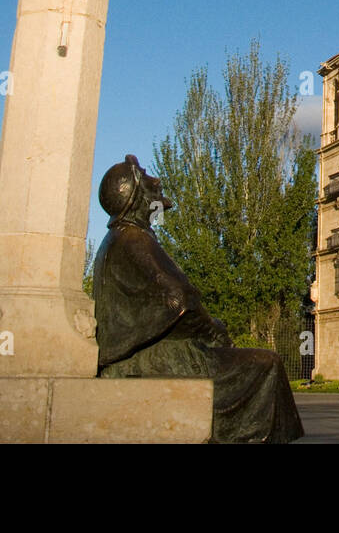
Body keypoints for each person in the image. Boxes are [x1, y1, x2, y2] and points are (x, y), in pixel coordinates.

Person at [93, 154, 304, 444]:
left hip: (152, 352)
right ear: (137, 196)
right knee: (267, 364)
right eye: (147, 177)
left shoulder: (123, 237)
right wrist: (209, 328)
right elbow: (176, 301)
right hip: (156, 357)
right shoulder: (133, 239)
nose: (157, 181)